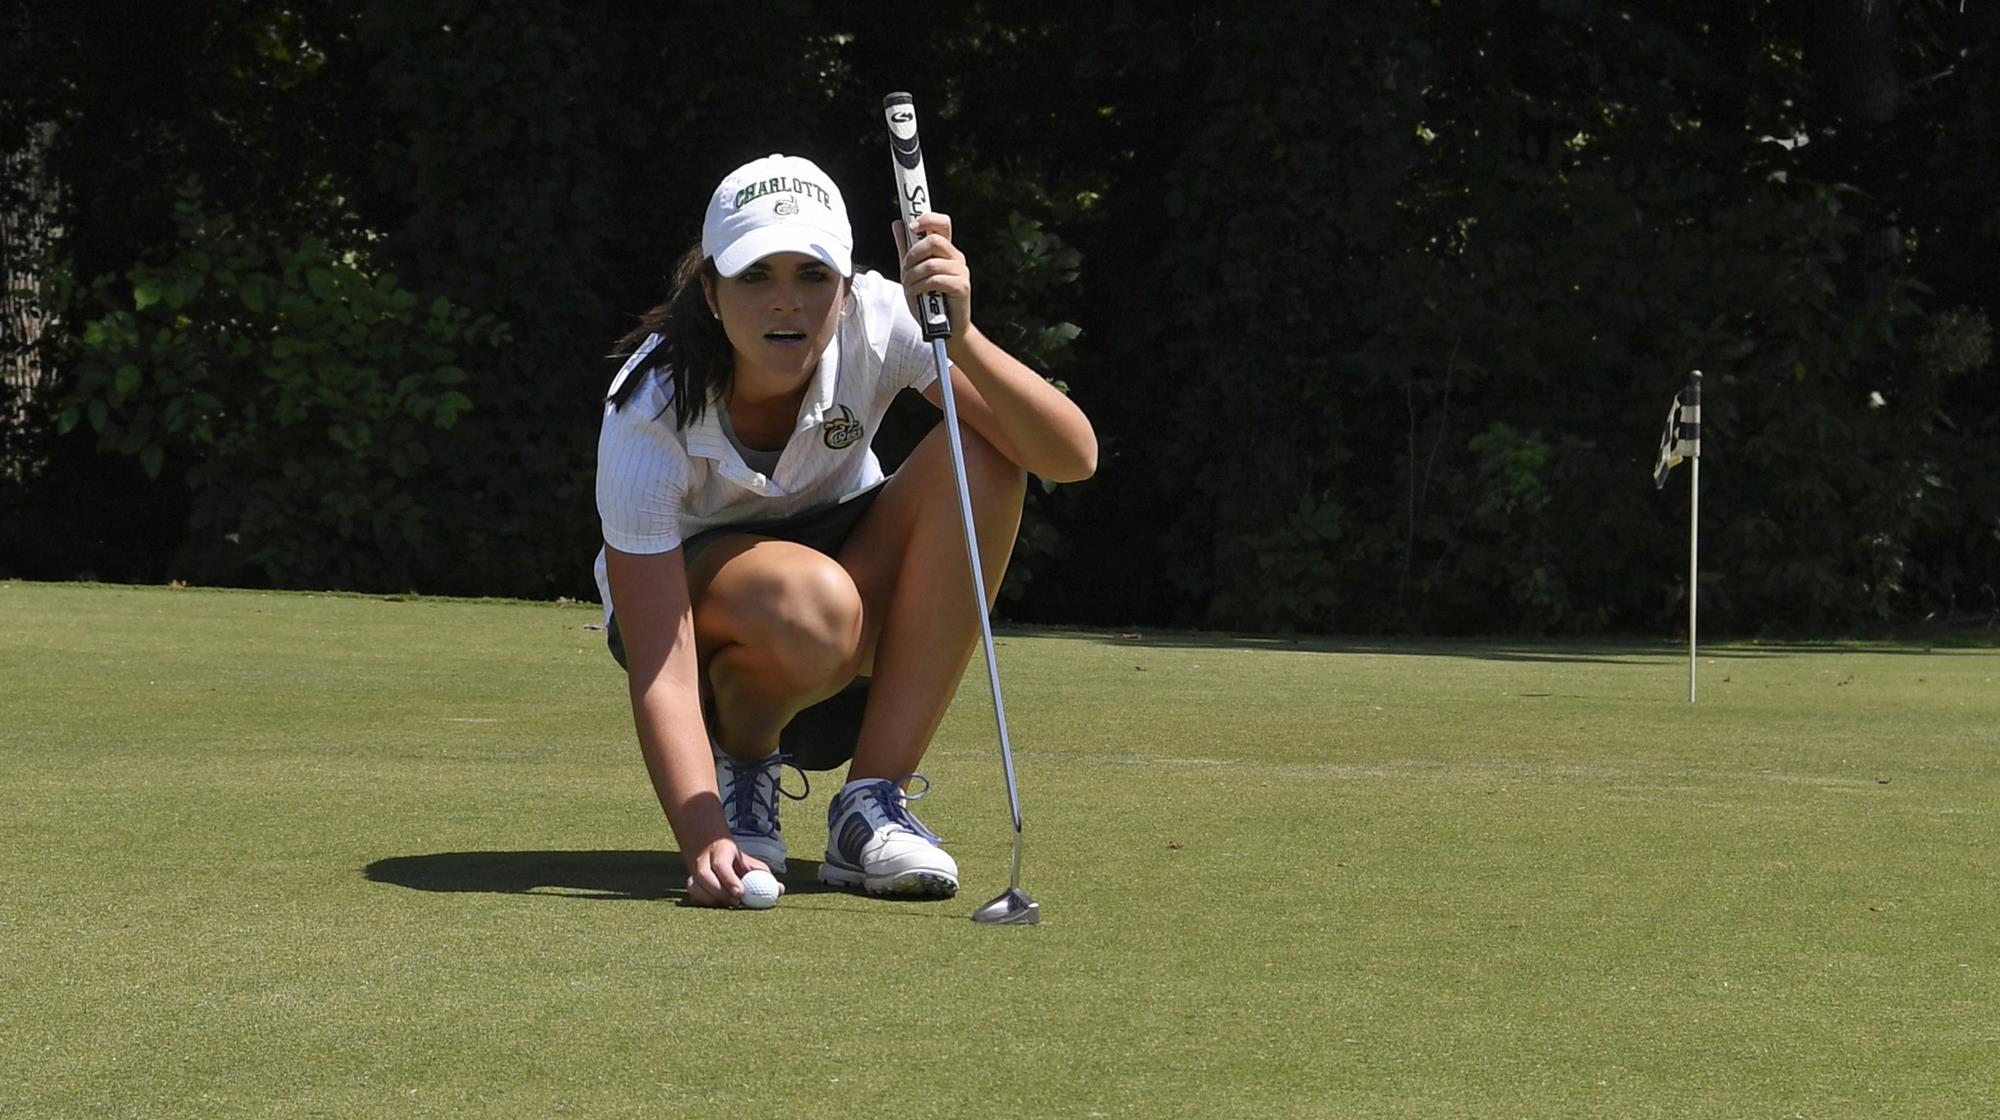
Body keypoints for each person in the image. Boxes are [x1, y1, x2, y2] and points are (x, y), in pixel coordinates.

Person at [593, 153, 1096, 909]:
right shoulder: (648, 407)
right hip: (703, 629)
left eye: (813, 275)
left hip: (841, 591)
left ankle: (871, 804)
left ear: (847, 286)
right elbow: (661, 663)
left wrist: (960, 338)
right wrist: (702, 837)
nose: (786, 302)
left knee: (989, 457)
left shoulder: (882, 317)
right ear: (711, 292)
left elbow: (1071, 457)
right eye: (755, 275)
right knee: (810, 603)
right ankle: (740, 772)